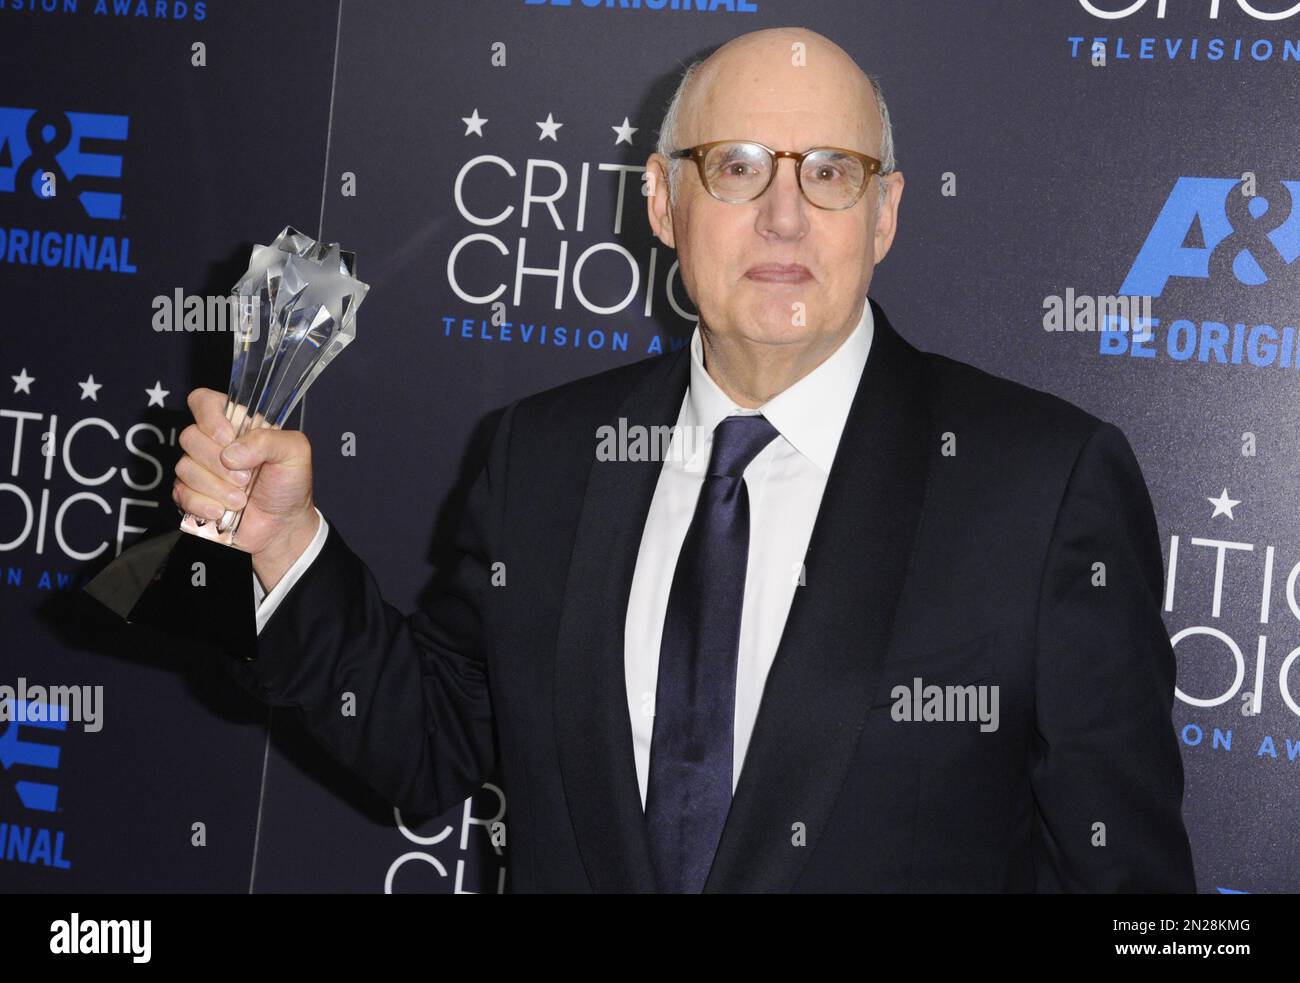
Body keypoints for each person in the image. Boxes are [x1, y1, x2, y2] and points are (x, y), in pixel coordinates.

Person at [172, 27, 1196, 893]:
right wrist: (282, 547)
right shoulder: (542, 455)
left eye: (831, 172)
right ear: (662, 202)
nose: (783, 214)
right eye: (737, 166)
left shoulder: (1043, 484)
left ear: (884, 214)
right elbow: (437, 739)